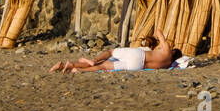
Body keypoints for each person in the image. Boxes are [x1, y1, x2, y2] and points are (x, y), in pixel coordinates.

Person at [48, 26, 182, 73]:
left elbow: (158, 31)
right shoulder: (167, 64)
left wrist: (160, 40)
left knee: (111, 52)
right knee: (104, 66)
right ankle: (74, 67)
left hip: (139, 55)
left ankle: (94, 60)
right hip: (137, 66)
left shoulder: (166, 50)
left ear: (173, 51)